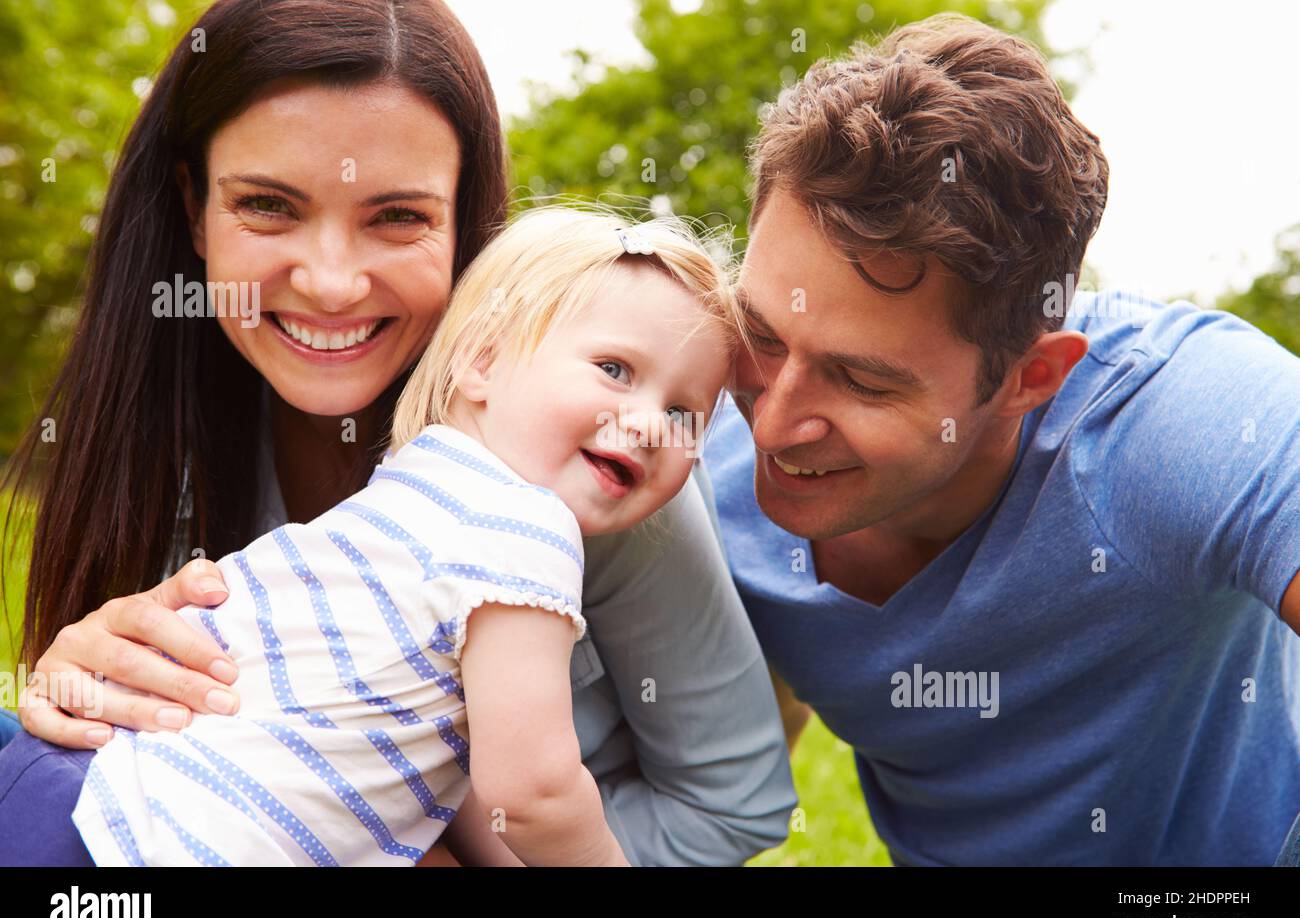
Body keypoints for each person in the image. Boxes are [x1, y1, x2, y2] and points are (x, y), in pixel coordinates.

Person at [0, 0, 795, 868]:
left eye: (399, 216)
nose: (333, 283)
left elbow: (731, 807)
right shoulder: (172, 430)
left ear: (465, 228)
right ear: (194, 210)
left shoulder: (598, 459)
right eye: (267, 204)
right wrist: (80, 677)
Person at [702, 13, 1300, 866]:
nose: (770, 420)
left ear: (1029, 378)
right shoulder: (688, 466)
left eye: (865, 380)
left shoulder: (1174, 420)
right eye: (760, 333)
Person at [66, 207, 740, 867]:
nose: (652, 424)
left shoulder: (418, 481)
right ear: (482, 359)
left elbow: (467, 779)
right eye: (615, 370)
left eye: (684, 413)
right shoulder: (528, 529)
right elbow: (533, 791)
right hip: (155, 842)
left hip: (92, 788)